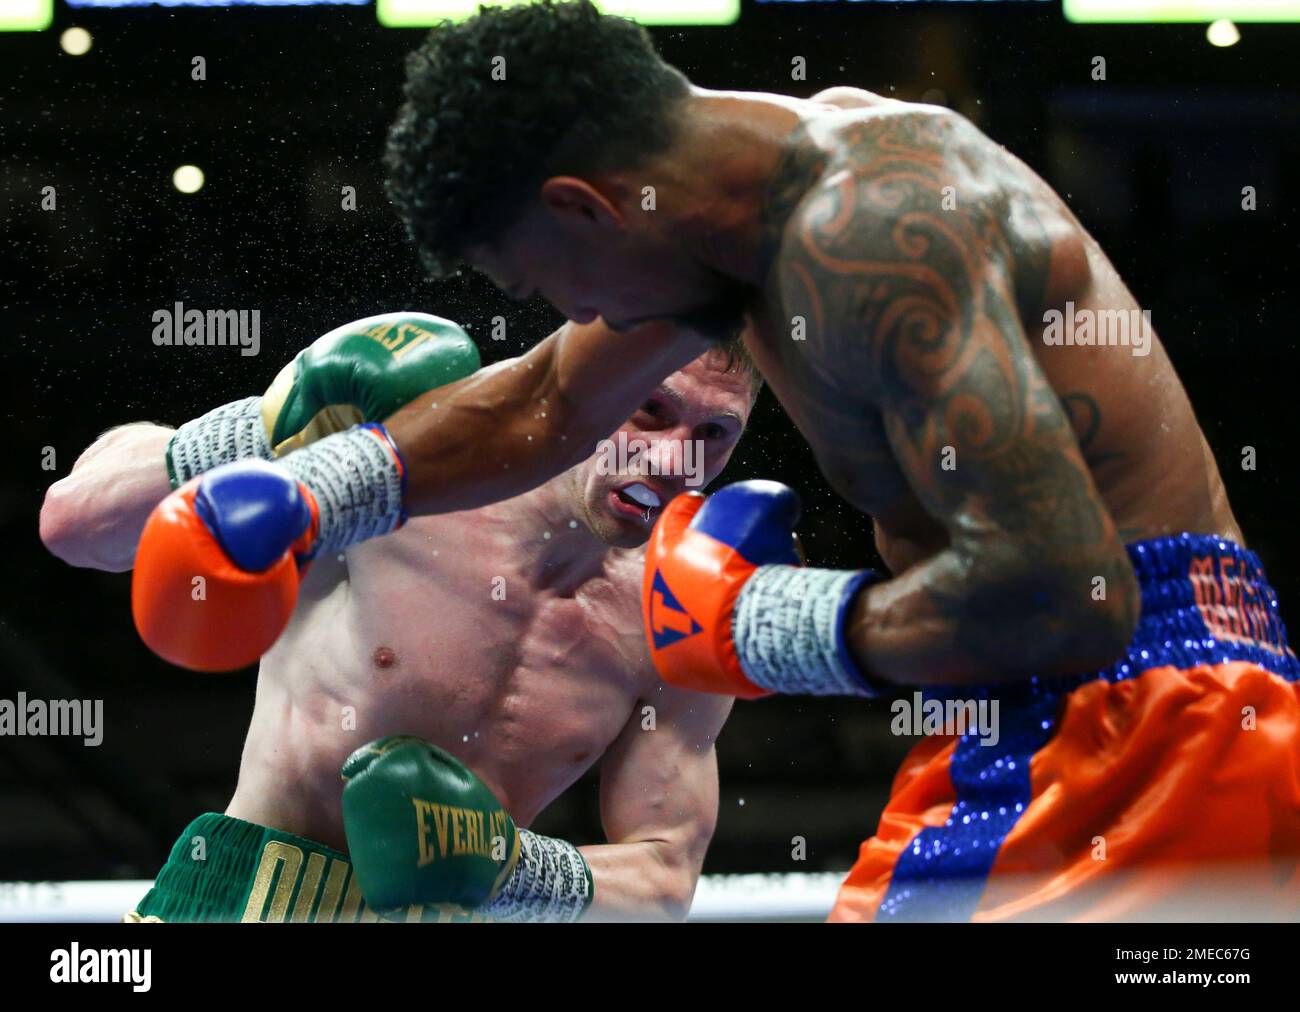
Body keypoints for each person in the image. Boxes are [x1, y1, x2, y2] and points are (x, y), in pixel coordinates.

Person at [125, 1, 1299, 919]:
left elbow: (1065, 587)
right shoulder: (732, 240)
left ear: (582, 207)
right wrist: (303, 492)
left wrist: (765, 625)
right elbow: (535, 406)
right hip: (1075, 708)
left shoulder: (867, 229)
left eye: (544, 284)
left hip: (1131, 705)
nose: (569, 316)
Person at [41, 311, 758, 921]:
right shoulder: (422, 463)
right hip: (254, 894)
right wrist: (273, 424)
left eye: (715, 433)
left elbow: (666, 879)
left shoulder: (680, 609)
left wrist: (508, 868)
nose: (674, 458)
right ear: (592, 383)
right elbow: (75, 524)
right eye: (651, 410)